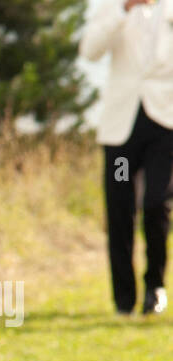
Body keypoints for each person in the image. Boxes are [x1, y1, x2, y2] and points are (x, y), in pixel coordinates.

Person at [81, 0, 173, 314]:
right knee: (120, 209)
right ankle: (124, 299)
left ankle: (155, 287)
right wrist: (123, 11)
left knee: (156, 202)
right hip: (123, 127)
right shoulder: (112, 7)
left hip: (165, 122)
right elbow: (90, 50)